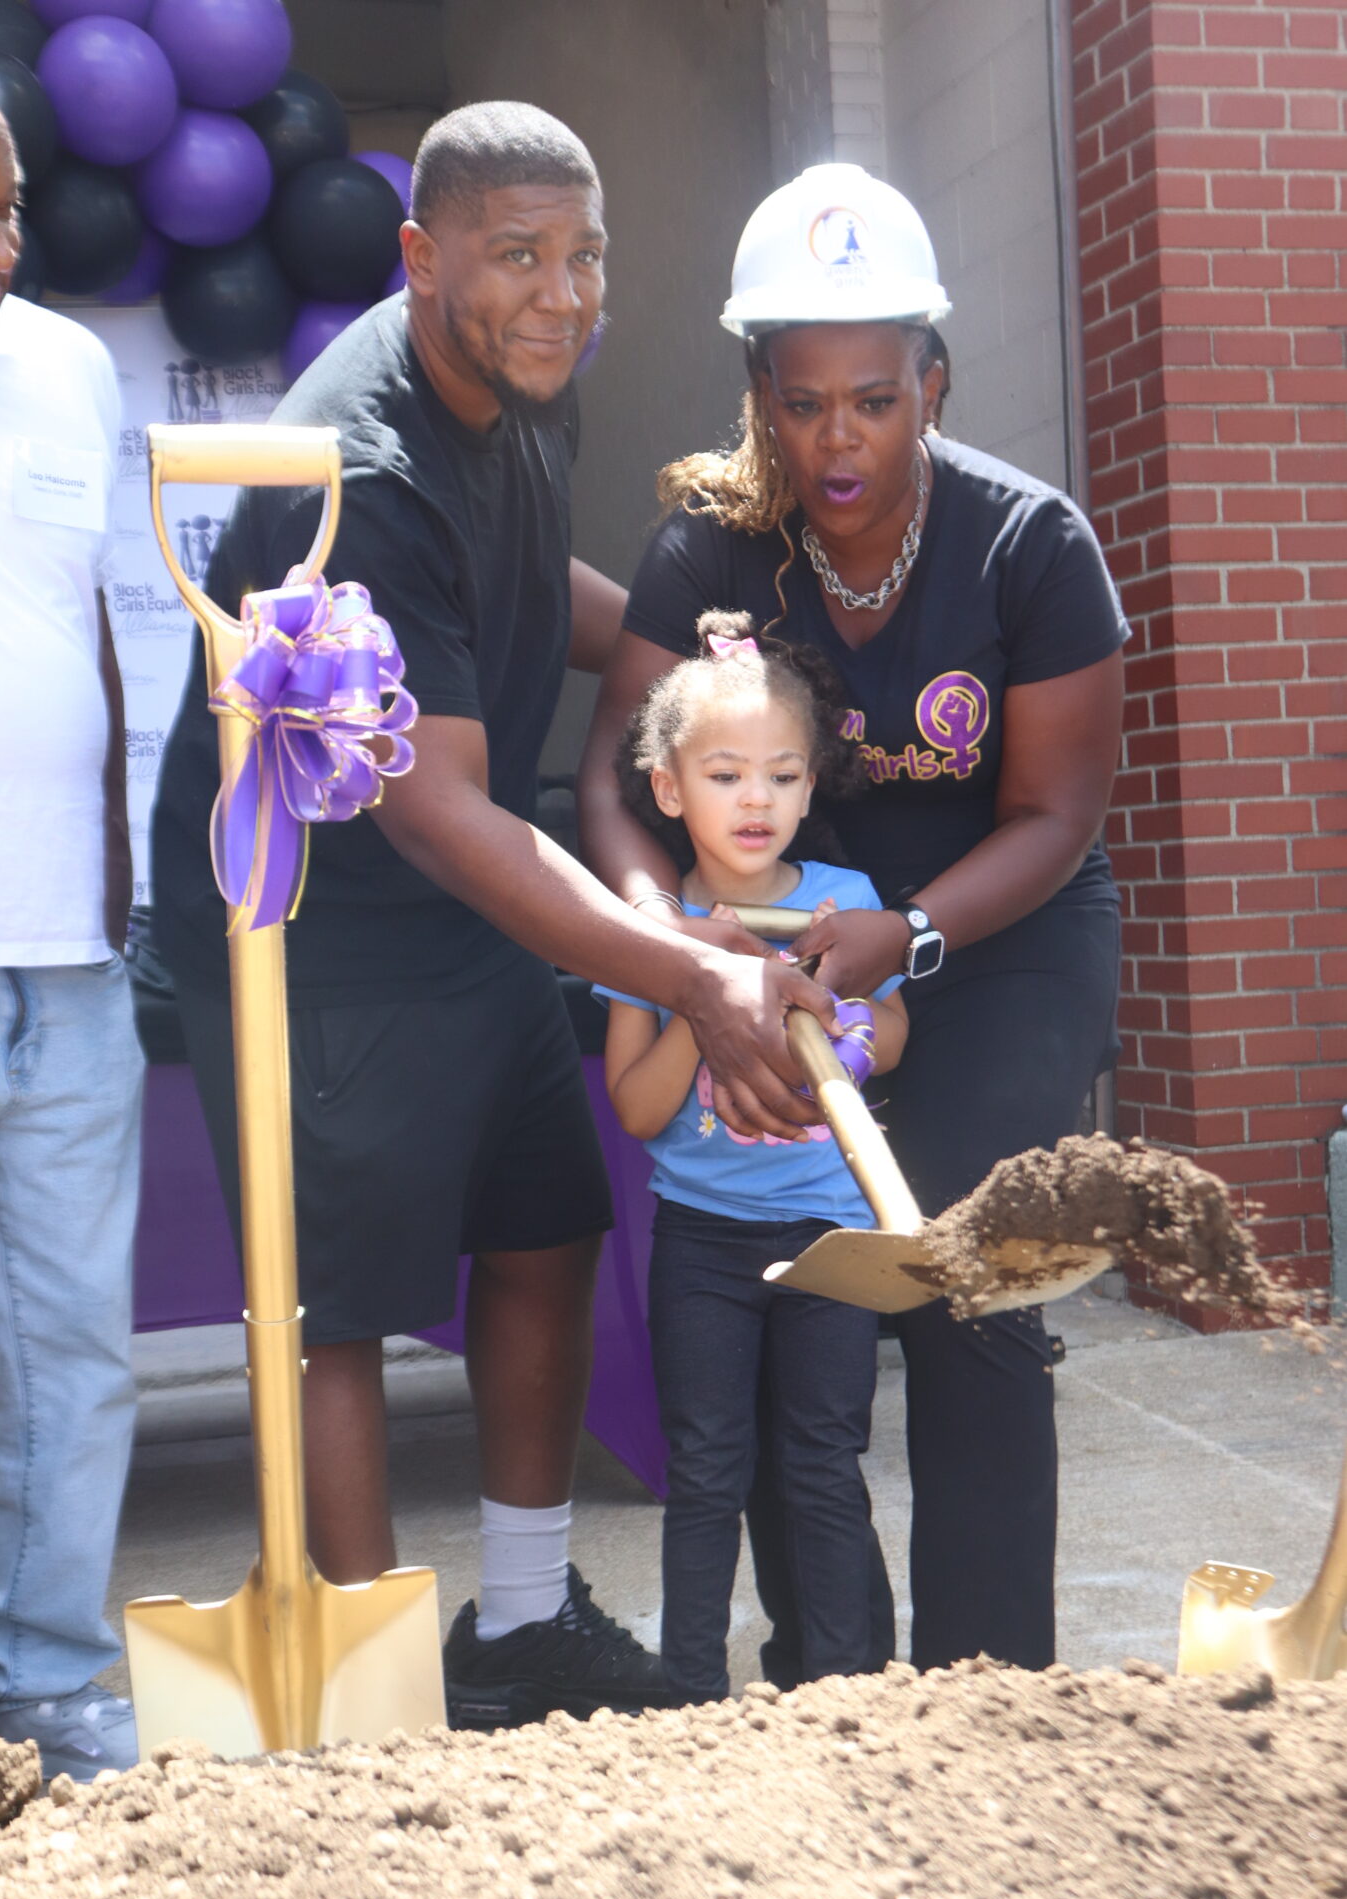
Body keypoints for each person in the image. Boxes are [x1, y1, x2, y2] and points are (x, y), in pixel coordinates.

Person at [151, 102, 833, 1730]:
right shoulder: (365, 472)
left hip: (462, 899)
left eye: (584, 255)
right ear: (417, 257)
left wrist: (671, 640)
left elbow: (519, 582)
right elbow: (442, 809)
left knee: (544, 1224)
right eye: (517, 254)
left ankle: (520, 1625)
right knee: (343, 1309)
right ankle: (377, 1692)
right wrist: (689, 964)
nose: (562, 291)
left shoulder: (523, 383)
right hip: (317, 930)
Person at [579, 163, 1127, 1675]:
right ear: (758, 389)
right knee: (777, 1272)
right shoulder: (709, 547)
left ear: (931, 386)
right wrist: (682, 953)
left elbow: (1056, 815)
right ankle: (830, 1677)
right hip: (780, 956)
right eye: (802, 400)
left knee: (964, 1259)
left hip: (998, 943)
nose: (837, 440)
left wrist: (910, 937)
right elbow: (613, 781)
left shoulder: (1031, 548)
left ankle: (986, 1686)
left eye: (874, 400)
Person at [595, 614, 908, 1704]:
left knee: (823, 1466)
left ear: (813, 784)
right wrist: (705, 982)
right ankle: (691, 1699)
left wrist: (842, 1006)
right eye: (725, 773)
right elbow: (635, 1105)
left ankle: (841, 1694)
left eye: (781, 773)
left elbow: (894, 1034)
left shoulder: (846, 903)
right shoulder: (654, 929)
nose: (756, 797)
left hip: (833, 1242)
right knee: (709, 1472)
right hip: (703, 1247)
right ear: (671, 787)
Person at [0, 93, 144, 1779]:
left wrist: (110, 890)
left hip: (64, 966)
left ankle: (36, 1674)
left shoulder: (71, 371)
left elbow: (83, 622)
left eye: (12, 211)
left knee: (74, 1360)